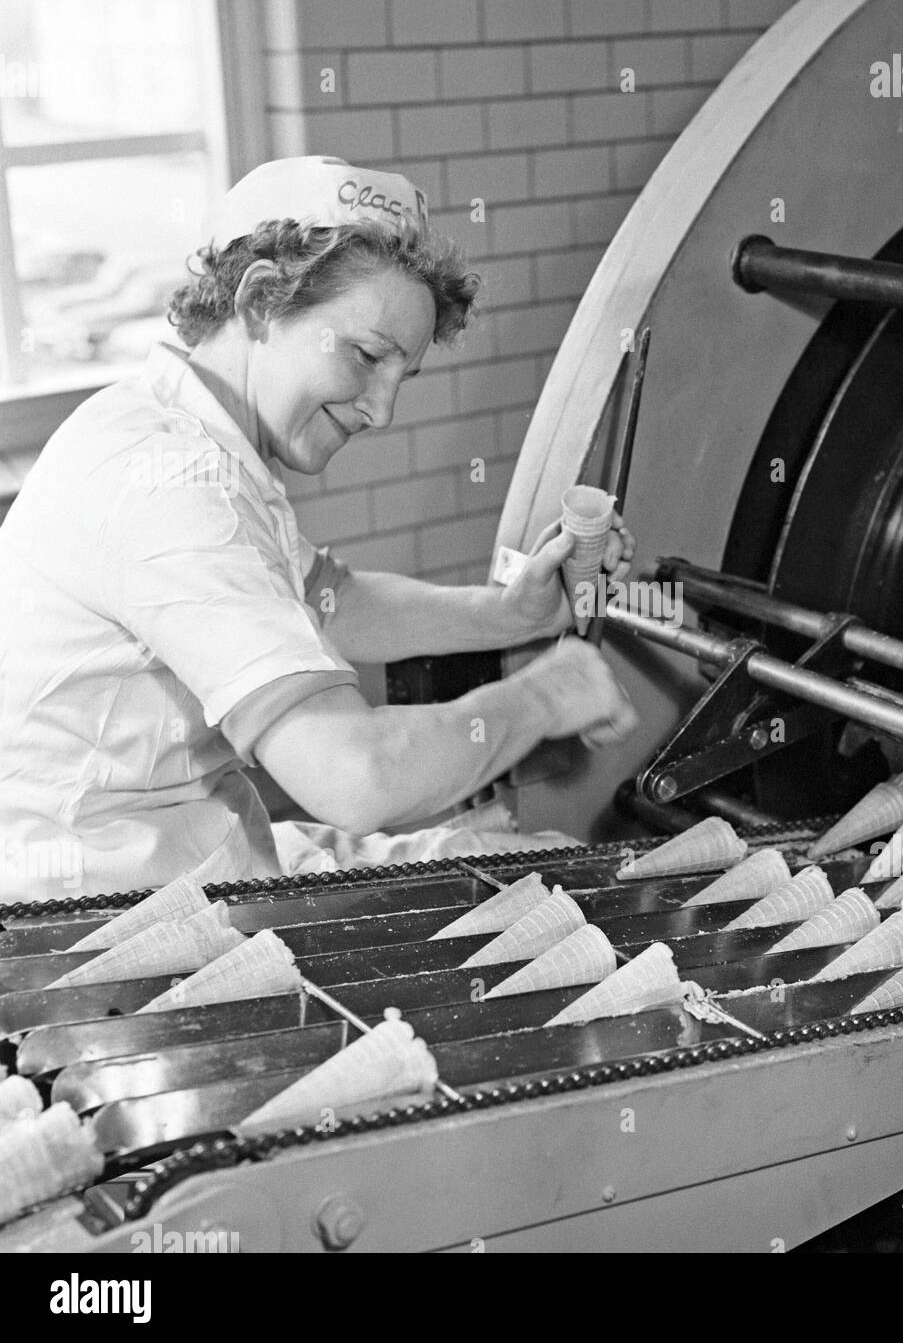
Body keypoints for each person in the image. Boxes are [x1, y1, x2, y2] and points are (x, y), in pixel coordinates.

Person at [0, 157, 638, 903]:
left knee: (514, 858)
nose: (381, 410)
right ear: (263, 299)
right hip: (86, 922)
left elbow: (330, 602)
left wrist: (506, 615)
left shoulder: (189, 438)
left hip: (190, 857)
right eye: (367, 357)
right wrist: (544, 697)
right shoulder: (171, 485)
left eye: (402, 376)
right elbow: (353, 777)